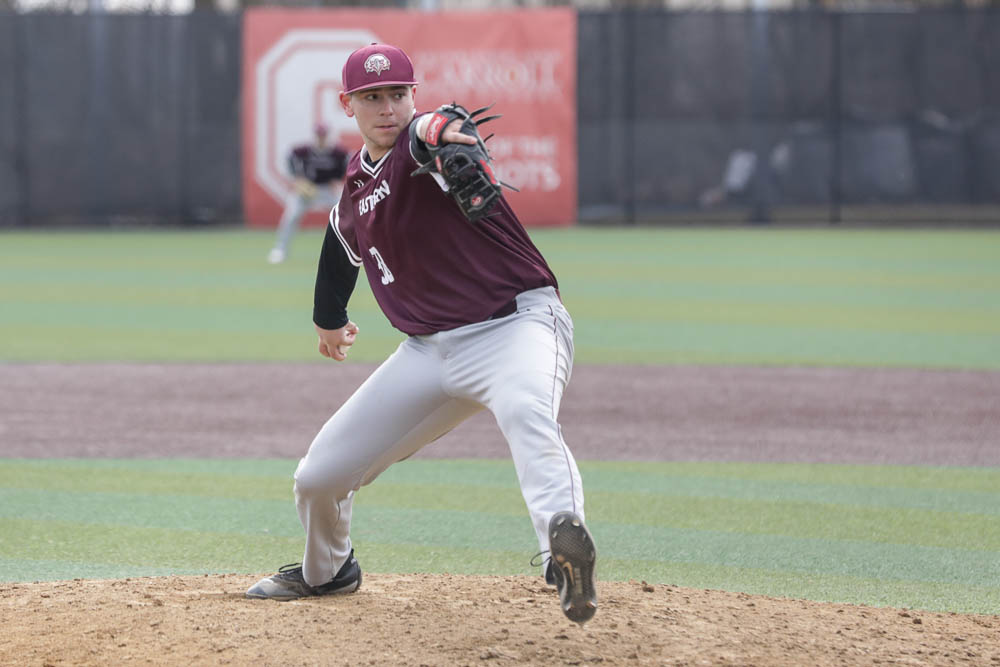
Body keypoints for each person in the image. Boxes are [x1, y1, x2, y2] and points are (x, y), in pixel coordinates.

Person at [246, 43, 597, 625]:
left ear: (415, 95)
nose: (388, 107)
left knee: (527, 410)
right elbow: (338, 250)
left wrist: (440, 129)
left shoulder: (423, 142)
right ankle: (327, 572)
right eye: (372, 97)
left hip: (516, 326)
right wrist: (329, 320)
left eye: (399, 94)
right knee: (317, 478)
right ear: (347, 104)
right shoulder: (356, 183)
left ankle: (563, 554)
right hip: (427, 353)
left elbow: (437, 129)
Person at [267, 123, 349, 264]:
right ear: (315, 136)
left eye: (323, 135)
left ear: (327, 136)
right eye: (318, 135)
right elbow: (289, 158)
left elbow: (348, 163)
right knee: (291, 216)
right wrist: (297, 178)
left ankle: (352, 251)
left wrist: (338, 179)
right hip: (307, 190)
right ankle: (280, 249)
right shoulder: (304, 151)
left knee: (347, 216)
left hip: (327, 190)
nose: (320, 138)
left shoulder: (337, 153)